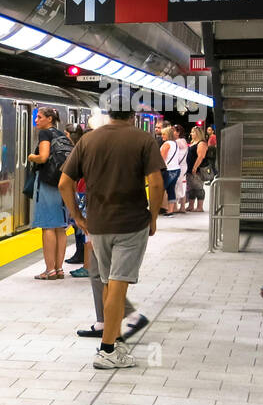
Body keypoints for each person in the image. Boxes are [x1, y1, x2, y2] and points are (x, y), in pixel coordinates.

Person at [58, 103, 164, 369]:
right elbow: (158, 182)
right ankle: (106, 351)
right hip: (130, 223)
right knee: (118, 284)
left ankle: (115, 341)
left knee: (108, 283)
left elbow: (64, 183)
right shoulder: (143, 139)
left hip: (98, 224)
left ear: (108, 114)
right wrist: (152, 217)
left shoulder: (88, 139)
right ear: (132, 116)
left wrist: (79, 218)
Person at [27, 107, 70, 279]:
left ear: (49, 119)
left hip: (47, 182)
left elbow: (43, 157)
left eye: (39, 117)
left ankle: (49, 270)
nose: (36, 120)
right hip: (61, 182)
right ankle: (59, 269)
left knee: (47, 226)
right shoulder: (61, 135)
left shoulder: (45, 134)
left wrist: (32, 157)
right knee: (60, 227)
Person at [65, 126, 87, 266]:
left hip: (82, 189)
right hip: (83, 188)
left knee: (79, 225)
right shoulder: (82, 148)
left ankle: (81, 254)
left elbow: (69, 179)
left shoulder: (77, 151)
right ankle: (80, 253)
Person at [159, 125, 181, 215]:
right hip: (176, 170)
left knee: (159, 189)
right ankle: (170, 210)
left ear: (168, 135)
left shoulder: (166, 144)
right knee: (171, 190)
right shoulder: (175, 144)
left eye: (163, 134)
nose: (162, 136)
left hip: (168, 170)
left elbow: (162, 159)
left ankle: (155, 208)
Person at [186, 126, 208, 213]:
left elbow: (201, 156)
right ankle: (191, 205)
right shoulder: (192, 142)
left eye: (193, 132)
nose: (191, 134)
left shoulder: (201, 143)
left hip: (197, 169)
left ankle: (200, 206)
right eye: (191, 132)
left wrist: (195, 167)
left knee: (198, 188)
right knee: (191, 188)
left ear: (198, 133)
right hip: (190, 169)